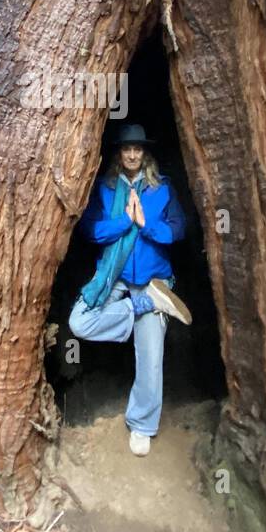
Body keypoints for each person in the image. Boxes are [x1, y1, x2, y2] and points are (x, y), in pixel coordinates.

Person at [68, 123, 191, 457]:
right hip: (115, 277)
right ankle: (144, 304)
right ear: (119, 154)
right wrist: (125, 222)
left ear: (145, 153)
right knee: (80, 323)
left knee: (151, 358)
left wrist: (145, 226)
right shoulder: (105, 188)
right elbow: (90, 231)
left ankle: (142, 425)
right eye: (127, 149)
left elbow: (178, 230)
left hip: (154, 280)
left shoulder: (162, 188)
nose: (133, 154)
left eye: (138, 149)